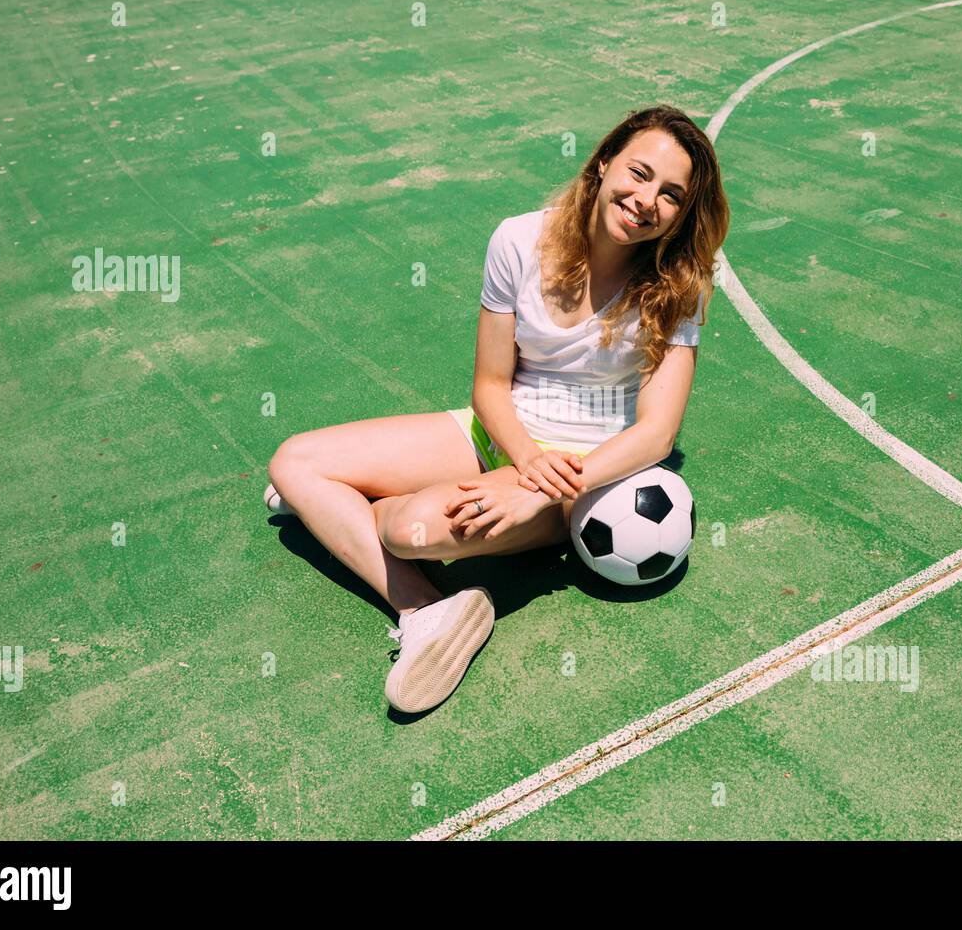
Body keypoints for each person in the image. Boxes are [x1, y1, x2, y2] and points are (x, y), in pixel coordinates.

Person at [266, 104, 731, 714]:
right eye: (639, 173)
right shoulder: (519, 239)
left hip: (582, 477)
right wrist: (525, 460)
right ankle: (427, 608)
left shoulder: (679, 283)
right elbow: (489, 385)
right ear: (603, 163)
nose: (647, 200)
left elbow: (657, 434)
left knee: (405, 530)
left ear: (683, 213)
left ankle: (359, 536)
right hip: (504, 434)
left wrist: (540, 491)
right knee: (294, 463)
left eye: (671, 194)